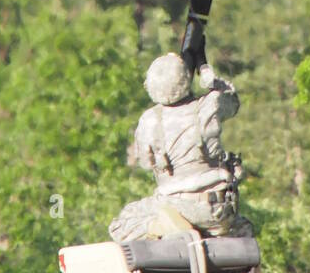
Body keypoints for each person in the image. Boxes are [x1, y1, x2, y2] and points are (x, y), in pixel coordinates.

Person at [108, 52, 253, 241]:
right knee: (244, 228)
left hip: (177, 206)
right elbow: (232, 102)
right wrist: (209, 77)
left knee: (122, 222)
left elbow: (146, 164)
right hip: (219, 210)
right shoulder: (210, 105)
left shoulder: (149, 120)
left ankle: (168, 227)